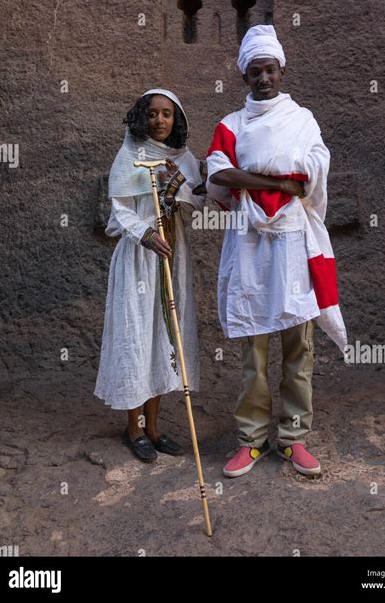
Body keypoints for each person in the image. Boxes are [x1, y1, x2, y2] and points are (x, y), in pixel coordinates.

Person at [206, 25, 347, 478]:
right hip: (249, 245)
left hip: (290, 244)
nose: (262, 78)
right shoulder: (231, 124)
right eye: (254, 72)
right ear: (245, 77)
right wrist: (277, 180)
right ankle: (250, 441)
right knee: (254, 355)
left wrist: (278, 175)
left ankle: (293, 438)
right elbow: (219, 174)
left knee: (297, 350)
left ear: (281, 71)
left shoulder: (302, 119)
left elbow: (315, 165)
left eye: (269, 69)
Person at [95, 88, 206, 463]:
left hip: (172, 255)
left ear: (177, 120)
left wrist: (179, 188)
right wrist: (144, 234)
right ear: (144, 116)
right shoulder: (130, 155)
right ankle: (134, 427)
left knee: (164, 337)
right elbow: (121, 208)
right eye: (154, 113)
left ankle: (155, 429)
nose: (161, 120)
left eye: (168, 114)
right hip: (139, 257)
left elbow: (197, 202)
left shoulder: (182, 158)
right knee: (137, 336)